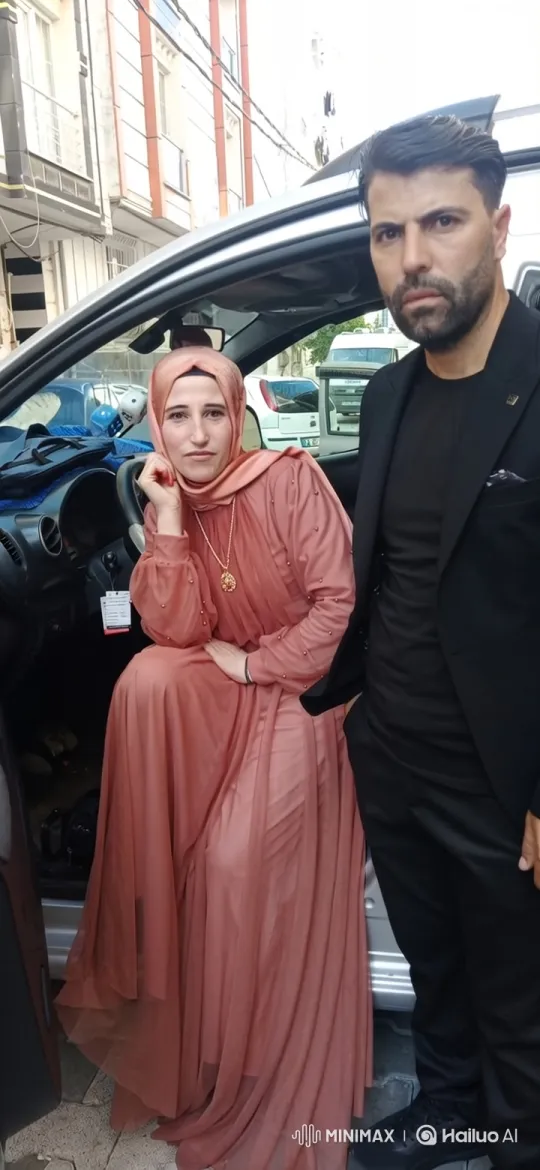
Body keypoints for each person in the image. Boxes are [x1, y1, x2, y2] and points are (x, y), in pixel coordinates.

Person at [55, 347, 372, 1170]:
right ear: (158, 424)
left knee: (233, 864)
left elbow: (340, 611)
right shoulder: (179, 501)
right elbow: (177, 629)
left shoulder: (289, 480)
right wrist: (164, 523)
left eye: (214, 413)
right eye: (179, 416)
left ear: (240, 417)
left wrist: (260, 665)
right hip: (238, 682)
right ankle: (212, 1043)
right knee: (147, 677)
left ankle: (262, 1070)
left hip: (309, 690)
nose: (198, 436)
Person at [302, 114, 540, 1170]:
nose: (413, 257)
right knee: (436, 973)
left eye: (440, 222)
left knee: (520, 1007)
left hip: (506, 785)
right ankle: (449, 1115)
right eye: (387, 232)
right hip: (391, 753)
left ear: (496, 223)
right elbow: (386, 565)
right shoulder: (390, 389)